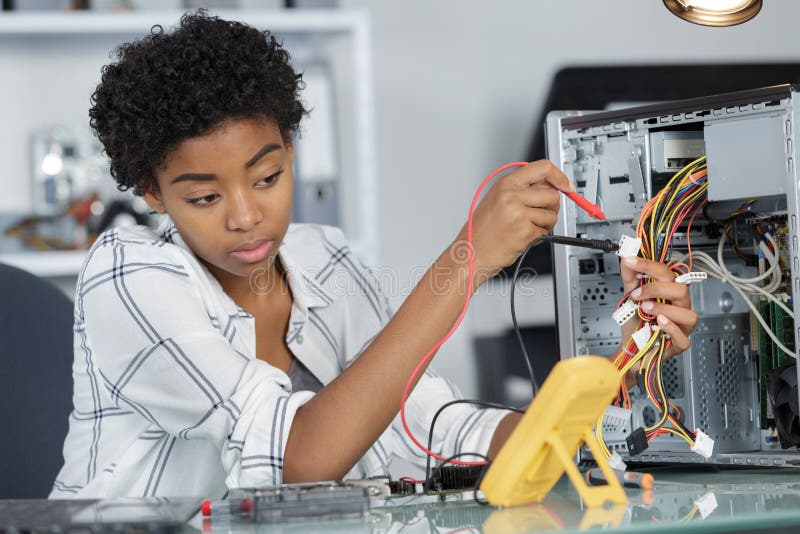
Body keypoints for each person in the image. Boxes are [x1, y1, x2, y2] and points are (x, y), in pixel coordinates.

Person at [50, 11, 697, 498]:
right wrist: (465, 260)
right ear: (152, 194)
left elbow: (431, 425)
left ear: (291, 153)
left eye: (267, 177)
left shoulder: (322, 259)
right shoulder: (128, 274)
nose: (246, 214)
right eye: (203, 197)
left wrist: (621, 381)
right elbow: (300, 458)